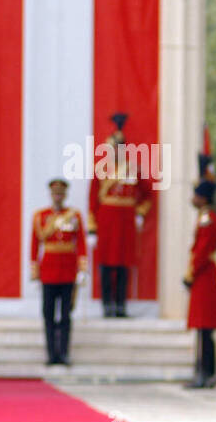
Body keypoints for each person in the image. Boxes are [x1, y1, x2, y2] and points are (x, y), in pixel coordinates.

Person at [88, 113, 152, 316]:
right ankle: (107, 305)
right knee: (106, 265)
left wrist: (140, 213)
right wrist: (92, 228)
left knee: (124, 264)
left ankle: (121, 305)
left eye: (121, 147)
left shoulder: (133, 170)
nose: (117, 150)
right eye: (115, 147)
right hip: (107, 221)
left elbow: (148, 195)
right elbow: (92, 201)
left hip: (126, 222)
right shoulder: (101, 170)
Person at [30, 178, 87, 366]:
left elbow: (80, 243)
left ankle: (63, 353)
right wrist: (34, 269)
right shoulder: (41, 216)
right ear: (51, 195)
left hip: (68, 271)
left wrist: (82, 268)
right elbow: (34, 244)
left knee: (65, 316)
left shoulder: (74, 216)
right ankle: (51, 354)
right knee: (48, 315)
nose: (58, 197)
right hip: (48, 271)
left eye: (61, 194)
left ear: (65, 195)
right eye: (55, 193)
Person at [183, 159, 216, 388]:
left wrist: (189, 274)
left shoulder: (209, 219)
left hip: (205, 276)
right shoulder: (205, 217)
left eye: (196, 195)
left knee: (205, 329)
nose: (193, 198)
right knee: (202, 329)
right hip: (203, 275)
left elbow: (202, 251)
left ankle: (206, 372)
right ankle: (203, 371)